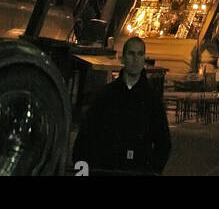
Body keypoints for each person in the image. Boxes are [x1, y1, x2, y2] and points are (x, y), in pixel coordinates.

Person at [72, 36, 171, 175]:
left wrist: (151, 170)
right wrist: (82, 169)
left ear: (144, 59)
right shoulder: (105, 96)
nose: (135, 59)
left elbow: (164, 143)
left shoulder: (152, 100)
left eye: (140, 54)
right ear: (123, 58)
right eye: (131, 54)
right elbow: (86, 137)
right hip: (106, 169)